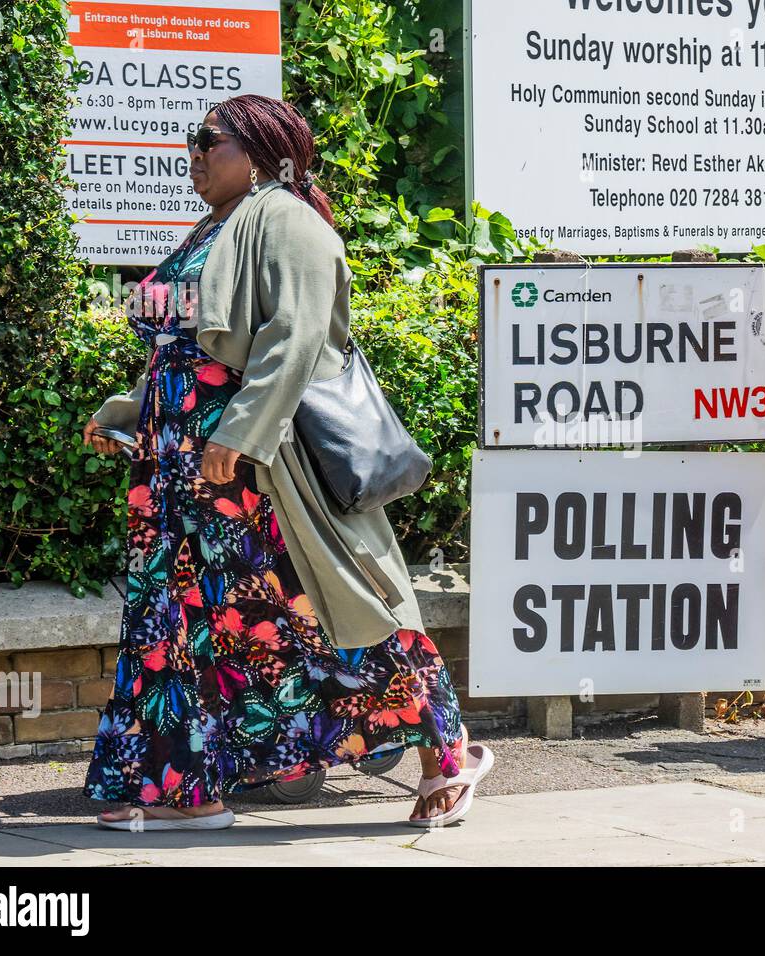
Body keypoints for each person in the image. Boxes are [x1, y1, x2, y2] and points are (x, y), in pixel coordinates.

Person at [82, 94, 492, 829]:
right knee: (183, 625)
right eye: (192, 141)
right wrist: (123, 413)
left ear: (265, 150)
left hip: (252, 470)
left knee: (311, 611)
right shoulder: (213, 230)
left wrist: (238, 436)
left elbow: (295, 341)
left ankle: (446, 750)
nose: (195, 154)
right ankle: (186, 790)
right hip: (181, 472)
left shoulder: (285, 220)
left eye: (211, 141)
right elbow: (185, 350)